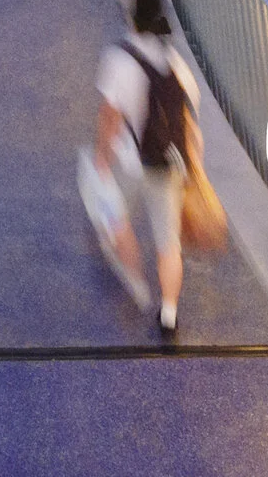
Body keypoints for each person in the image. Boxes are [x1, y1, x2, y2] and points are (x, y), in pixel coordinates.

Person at [82, 30, 202, 338]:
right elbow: (188, 124)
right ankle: (169, 313)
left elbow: (110, 115)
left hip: (131, 163)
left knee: (116, 216)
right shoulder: (179, 67)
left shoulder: (120, 59)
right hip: (168, 166)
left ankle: (135, 279)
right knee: (168, 243)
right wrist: (193, 171)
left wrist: (102, 157)